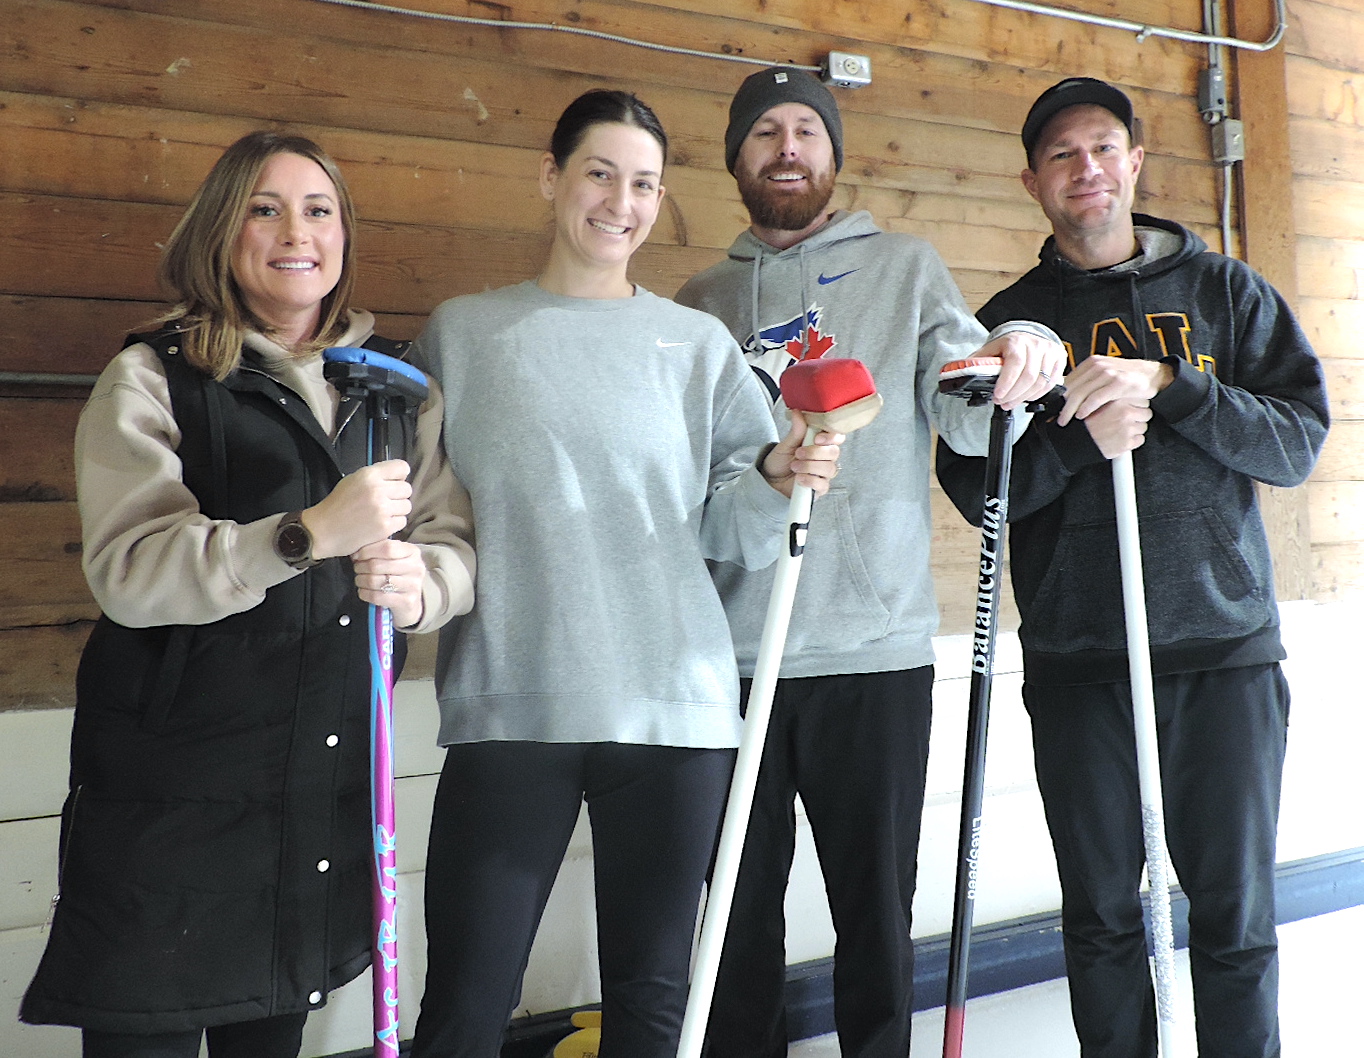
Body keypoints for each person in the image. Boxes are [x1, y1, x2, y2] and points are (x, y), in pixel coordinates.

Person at [19, 131, 477, 1058]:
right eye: (265, 208)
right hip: (168, 797)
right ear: (224, 229)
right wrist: (308, 535)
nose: (294, 231)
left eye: (319, 210)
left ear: (344, 234)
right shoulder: (153, 376)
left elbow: (452, 543)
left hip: (312, 786)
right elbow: (132, 570)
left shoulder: (392, 392)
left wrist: (420, 588)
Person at [406, 89, 843, 1058]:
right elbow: (430, 509)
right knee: (465, 1006)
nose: (621, 200)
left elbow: (732, 527)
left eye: (643, 183)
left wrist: (774, 477)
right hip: (513, 701)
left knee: (653, 1006)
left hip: (672, 707)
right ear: (551, 177)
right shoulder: (464, 334)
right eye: (599, 172)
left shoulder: (693, 345)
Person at [673, 66, 1066, 1058]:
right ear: (737, 159)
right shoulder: (697, 301)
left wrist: (1018, 348)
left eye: (806, 127)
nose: (787, 145)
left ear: (833, 154)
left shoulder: (902, 267)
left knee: (875, 924)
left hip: (872, 654)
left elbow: (967, 405)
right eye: (764, 131)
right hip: (728, 660)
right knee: (735, 929)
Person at [936, 77, 1330, 1058]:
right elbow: (977, 492)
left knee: (1233, 926)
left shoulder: (1224, 294)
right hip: (1083, 665)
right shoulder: (1007, 324)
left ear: (1133, 161)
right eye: (1061, 155)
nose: (1085, 169)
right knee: (1103, 925)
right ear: (1032, 181)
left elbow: (1295, 442)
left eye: (1101, 147)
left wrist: (1172, 385)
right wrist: (1074, 434)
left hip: (1222, 654)